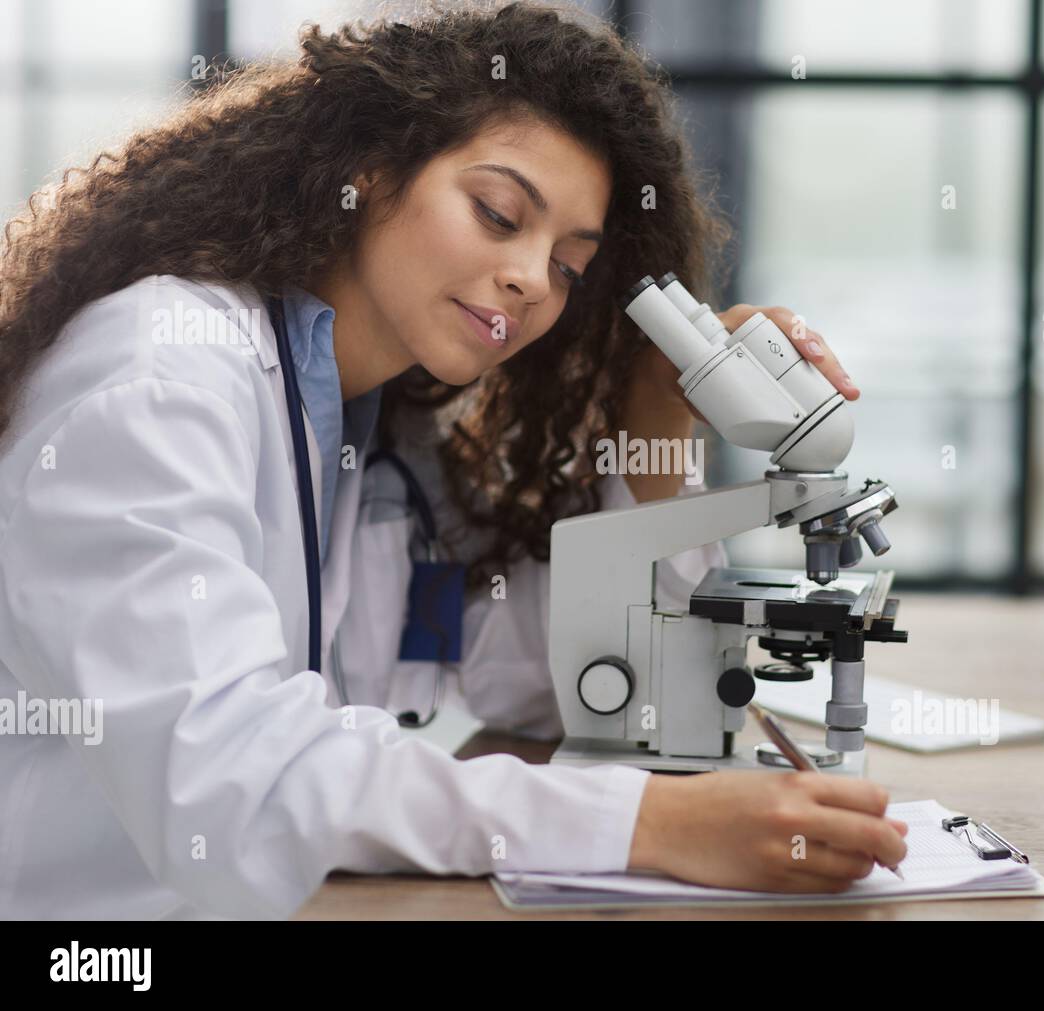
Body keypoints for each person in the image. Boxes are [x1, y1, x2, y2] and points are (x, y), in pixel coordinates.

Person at [0, 1, 907, 920]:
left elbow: (555, 683)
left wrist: (661, 405)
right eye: (499, 212)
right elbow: (235, 778)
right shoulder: (157, 382)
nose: (529, 278)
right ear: (369, 166)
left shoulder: (366, 422)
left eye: (569, 266)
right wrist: (651, 823)